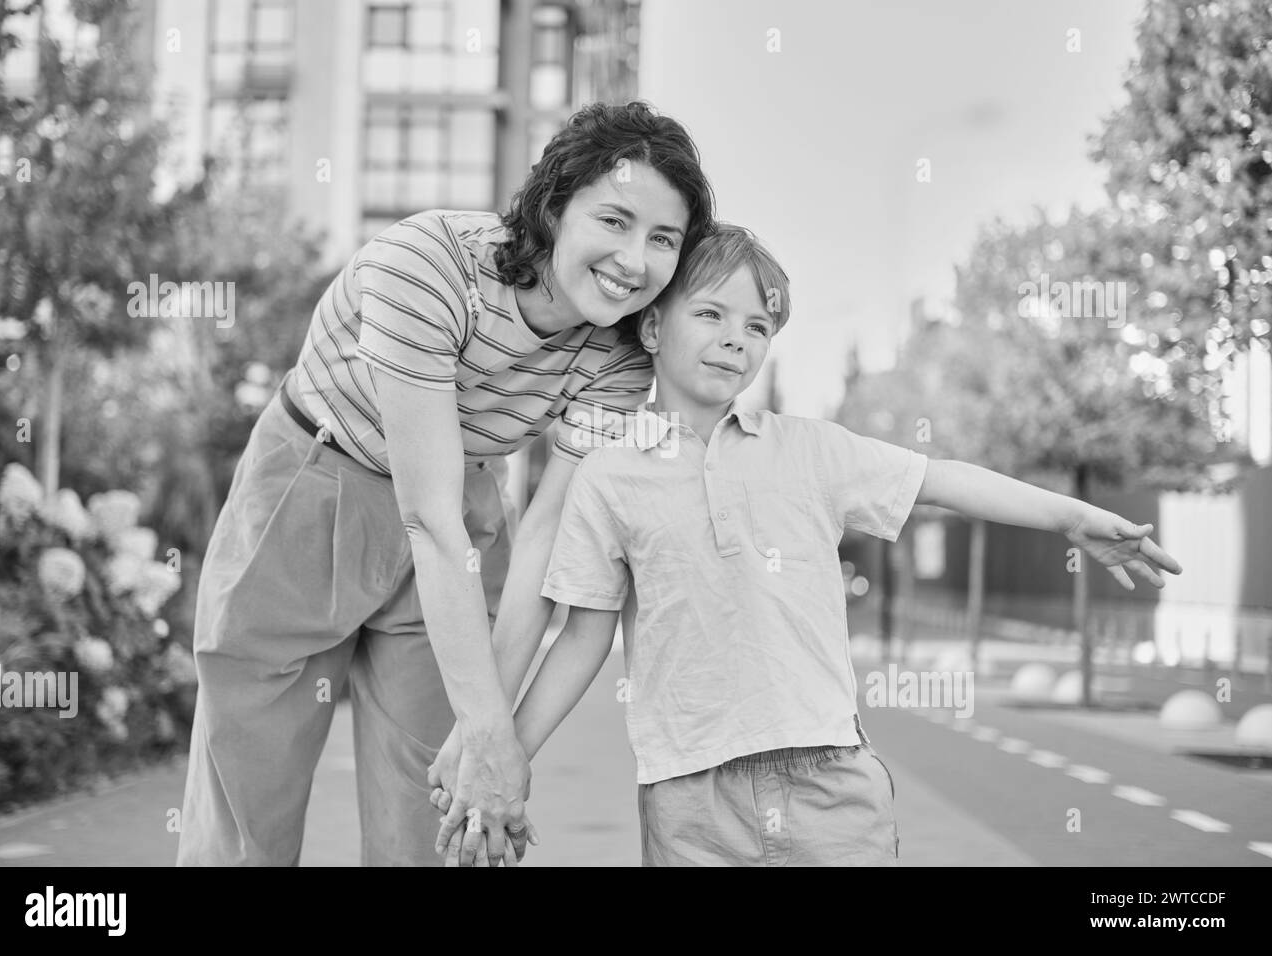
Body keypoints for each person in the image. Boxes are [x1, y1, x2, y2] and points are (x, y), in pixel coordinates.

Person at [431, 223, 1183, 865]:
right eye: (712, 315)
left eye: (757, 327)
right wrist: (504, 765)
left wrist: (1071, 518)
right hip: (688, 796)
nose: (736, 340)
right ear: (653, 328)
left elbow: (942, 480)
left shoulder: (813, 452)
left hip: (831, 782)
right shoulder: (607, 478)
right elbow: (581, 638)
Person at [176, 101, 716, 867]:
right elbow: (423, 515)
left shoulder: (623, 359)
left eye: (663, 239)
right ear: (556, 206)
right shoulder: (426, 266)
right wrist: (492, 732)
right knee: (245, 819)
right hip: (311, 493)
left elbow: (541, 535)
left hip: (460, 518)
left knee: (433, 817)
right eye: (616, 221)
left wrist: (484, 731)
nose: (635, 260)